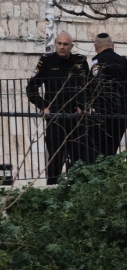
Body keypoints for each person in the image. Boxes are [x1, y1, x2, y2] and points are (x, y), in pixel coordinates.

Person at [27, 32, 92, 184]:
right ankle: (52, 187)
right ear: (55, 44)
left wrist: (83, 106)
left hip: (76, 117)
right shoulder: (46, 62)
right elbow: (31, 88)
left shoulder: (80, 62)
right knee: (55, 157)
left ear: (71, 46)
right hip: (55, 117)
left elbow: (88, 88)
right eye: (59, 44)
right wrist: (44, 106)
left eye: (65, 44)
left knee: (78, 157)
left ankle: (77, 188)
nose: (62, 47)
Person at [87, 32, 127, 157]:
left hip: (104, 115)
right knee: (111, 150)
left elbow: (95, 87)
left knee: (99, 152)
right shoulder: (123, 61)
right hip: (122, 112)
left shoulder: (98, 61)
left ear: (95, 47)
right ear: (112, 46)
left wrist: (99, 111)